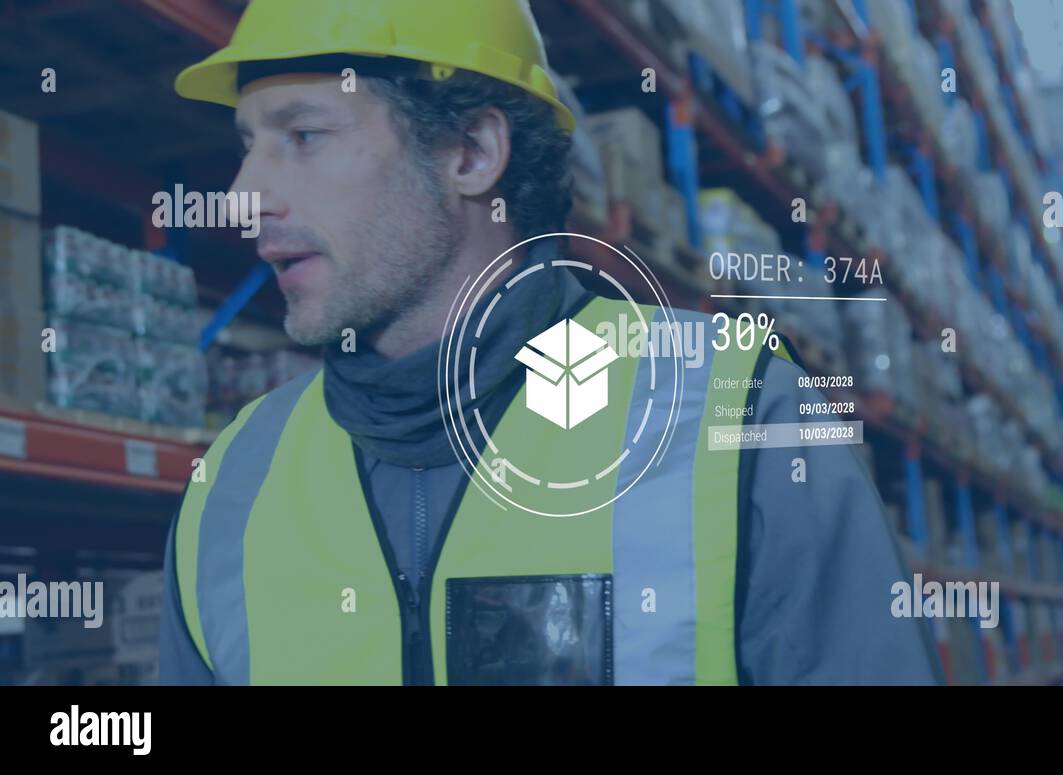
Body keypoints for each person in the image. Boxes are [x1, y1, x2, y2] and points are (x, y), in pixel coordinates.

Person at [159, 0, 941, 685]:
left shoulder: (735, 414)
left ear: (471, 152)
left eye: (301, 136)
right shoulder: (234, 480)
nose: (243, 197)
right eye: (247, 145)